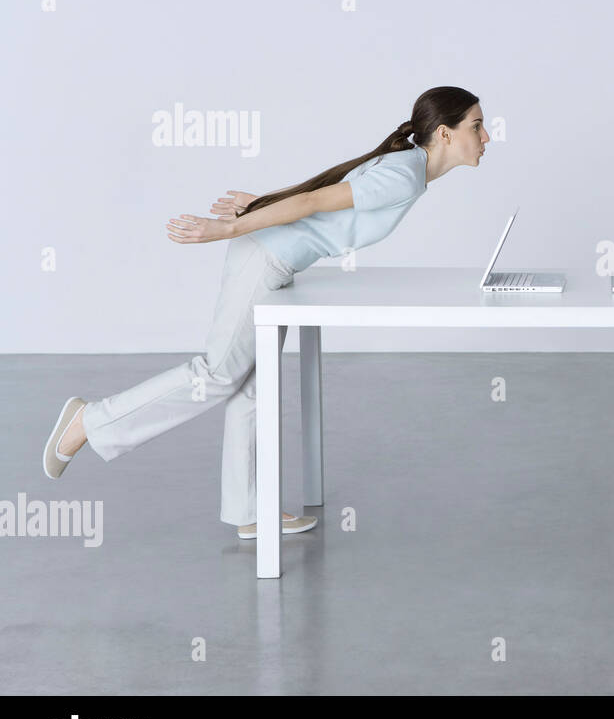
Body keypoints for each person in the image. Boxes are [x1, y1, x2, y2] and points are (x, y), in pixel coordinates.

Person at [42, 86, 490, 539]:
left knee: (252, 387)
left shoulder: (405, 167)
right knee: (217, 374)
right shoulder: (405, 175)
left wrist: (258, 203)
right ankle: (91, 420)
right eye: (476, 124)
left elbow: (322, 192)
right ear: (445, 133)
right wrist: (232, 226)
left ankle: (251, 510)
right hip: (264, 256)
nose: (486, 135)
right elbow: (315, 201)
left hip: (277, 258)